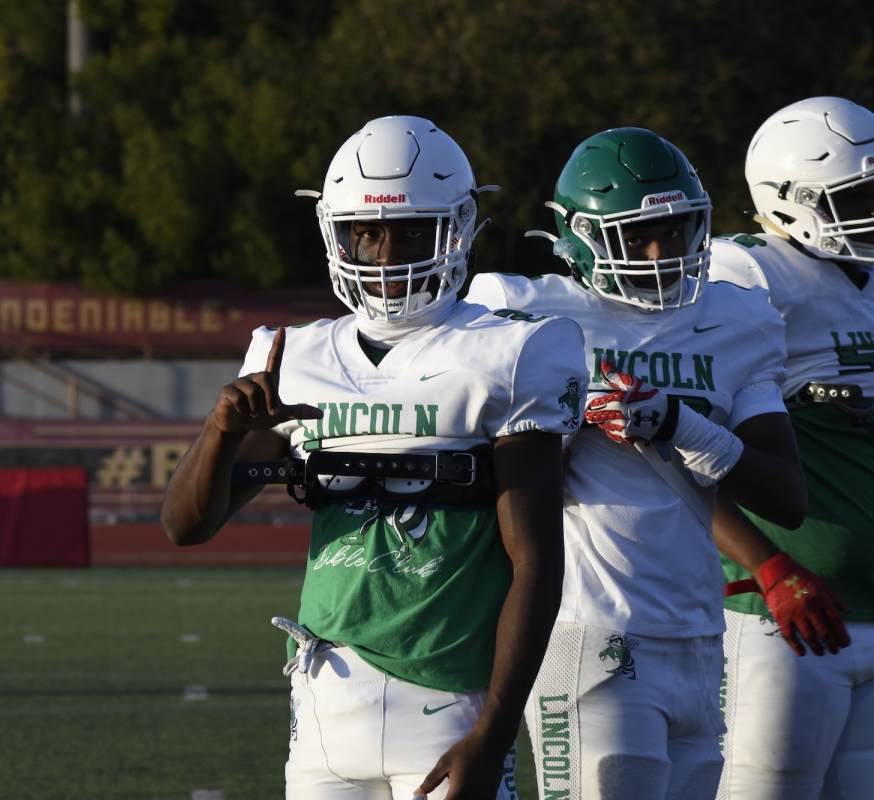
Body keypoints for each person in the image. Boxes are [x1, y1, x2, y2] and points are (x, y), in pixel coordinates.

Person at [161, 115, 588, 800]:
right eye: (368, 232)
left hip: (450, 699)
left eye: (413, 232)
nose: (388, 256)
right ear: (338, 233)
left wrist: (495, 732)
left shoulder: (510, 352)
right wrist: (222, 431)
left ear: (459, 228)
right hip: (324, 696)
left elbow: (536, 561)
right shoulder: (291, 355)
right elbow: (186, 525)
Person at [463, 127, 808, 800]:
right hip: (590, 632)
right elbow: (482, 469)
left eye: (675, 230)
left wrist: (681, 424)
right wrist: (557, 424)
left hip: (700, 636)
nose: (661, 253)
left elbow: (786, 497)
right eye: (636, 236)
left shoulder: (737, 319)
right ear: (581, 240)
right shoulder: (527, 315)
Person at [709, 95, 873, 800]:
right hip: (783, 613)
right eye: (857, 197)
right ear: (792, 199)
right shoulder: (745, 274)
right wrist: (769, 565)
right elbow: (678, 451)